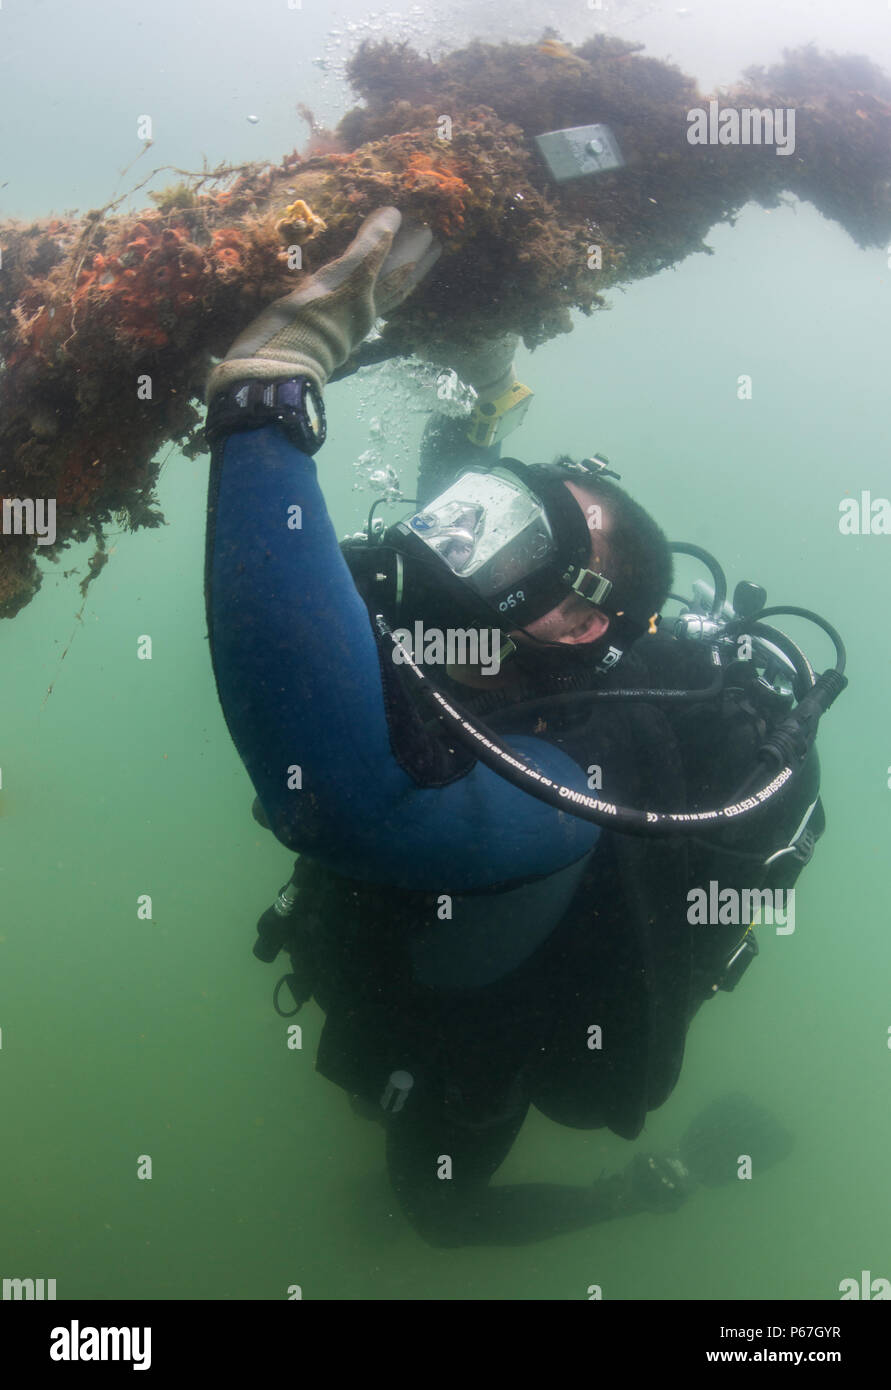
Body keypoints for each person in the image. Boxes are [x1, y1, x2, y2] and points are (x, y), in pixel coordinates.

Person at [204, 208, 829, 1246]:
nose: (458, 537)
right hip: (379, 949)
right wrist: (483, 351)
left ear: (581, 619)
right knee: (365, 1064)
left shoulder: (583, 766)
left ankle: (646, 1190)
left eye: (511, 539)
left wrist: (270, 393)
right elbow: (460, 466)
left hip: (485, 1033)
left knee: (433, 1208)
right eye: (490, 506)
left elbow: (348, 804)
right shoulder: (472, 611)